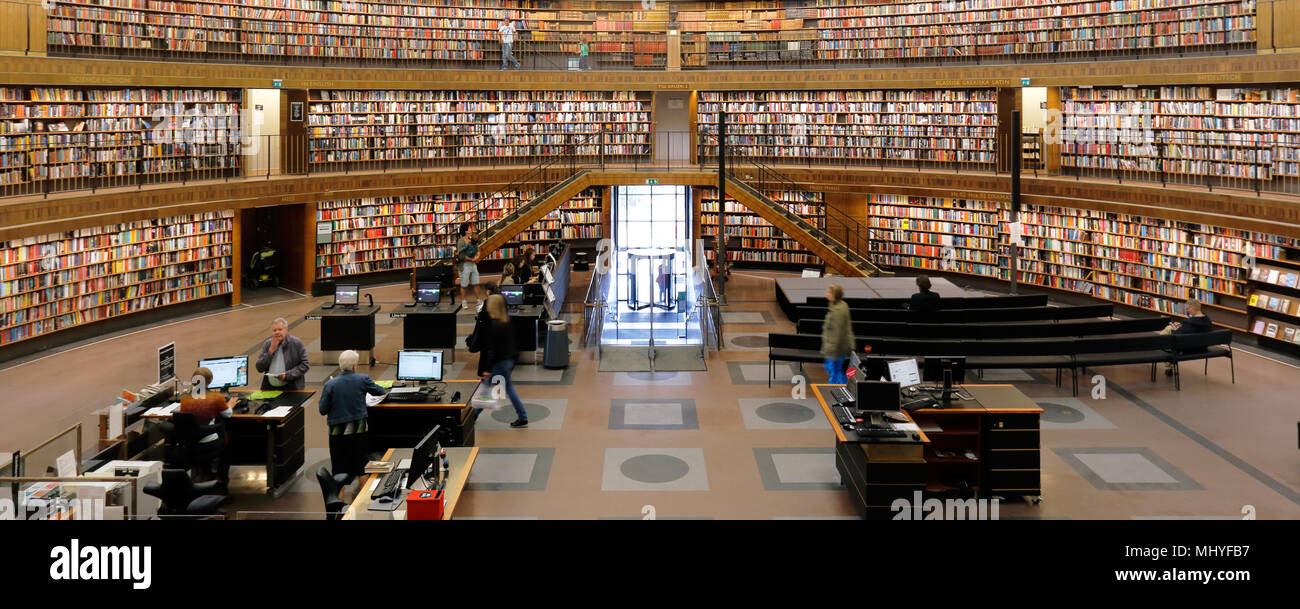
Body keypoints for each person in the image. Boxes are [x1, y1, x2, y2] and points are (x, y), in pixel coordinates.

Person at [318, 350, 387, 479]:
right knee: (362, 468)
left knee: (338, 471)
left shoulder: (330, 384)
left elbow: (322, 410)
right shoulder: (362, 379)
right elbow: (380, 391)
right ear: (355, 366)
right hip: (359, 430)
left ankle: (338, 499)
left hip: (337, 433)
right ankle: (362, 499)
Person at [179, 366, 237, 484]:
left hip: (191, 443)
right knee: (230, 438)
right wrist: (230, 404)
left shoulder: (184, 398)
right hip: (210, 442)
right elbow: (228, 414)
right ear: (210, 381)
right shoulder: (216, 397)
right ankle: (222, 477)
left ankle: (205, 473)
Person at [477, 294, 528, 428]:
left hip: (498, 363)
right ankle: (522, 416)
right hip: (508, 361)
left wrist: (487, 369)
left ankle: (473, 415)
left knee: (487, 388)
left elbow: (491, 350)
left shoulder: (494, 325)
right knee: (506, 388)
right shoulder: (508, 321)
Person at [255, 317, 310, 390]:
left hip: (291, 388)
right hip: (270, 388)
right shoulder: (268, 344)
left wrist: (287, 375)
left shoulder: (296, 343)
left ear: (286, 330)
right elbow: (259, 368)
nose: (277, 332)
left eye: (280, 329)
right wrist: (270, 352)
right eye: (274, 330)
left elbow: (305, 365)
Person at [1162, 299, 1213, 375]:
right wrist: (1182, 327)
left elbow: (1176, 335)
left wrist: (1177, 328)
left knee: (1167, 331)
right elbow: (1192, 330)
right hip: (1201, 347)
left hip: (1187, 348)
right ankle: (1168, 366)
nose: (1187, 311)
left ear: (1192, 308)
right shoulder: (1208, 321)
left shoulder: (1189, 322)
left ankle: (1168, 367)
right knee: (1169, 331)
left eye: (1187, 309)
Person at [821, 284, 854, 385]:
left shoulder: (837, 311)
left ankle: (838, 389)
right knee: (835, 370)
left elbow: (837, 333)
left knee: (835, 371)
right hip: (837, 347)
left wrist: (833, 352)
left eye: (829, 292)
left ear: (834, 294)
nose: (827, 294)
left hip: (836, 348)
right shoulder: (841, 305)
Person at [456, 222, 482, 306]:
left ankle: (478, 299)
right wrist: (472, 259)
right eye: (469, 228)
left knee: (476, 283)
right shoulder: (461, 241)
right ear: (466, 231)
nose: (471, 229)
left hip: (473, 265)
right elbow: (461, 255)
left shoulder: (472, 240)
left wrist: (477, 257)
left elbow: (478, 250)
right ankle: (464, 301)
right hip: (464, 265)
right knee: (464, 285)